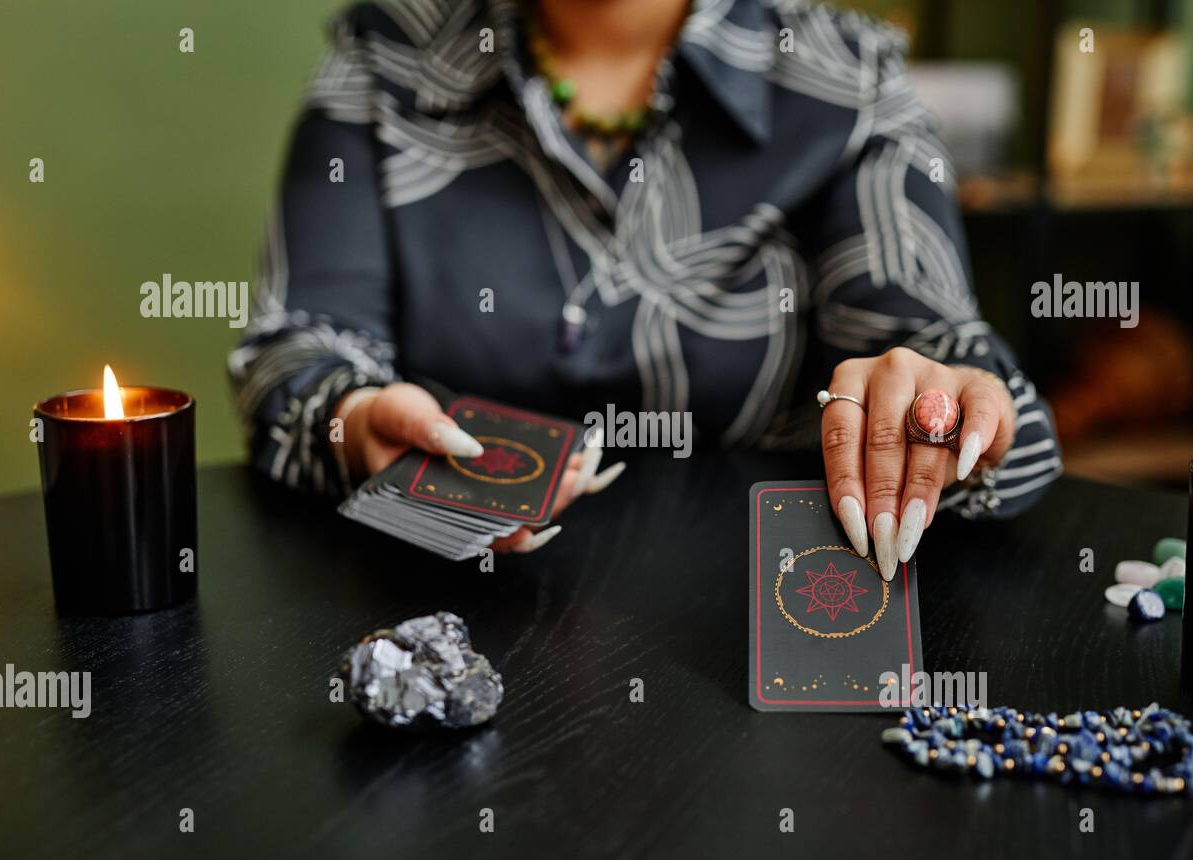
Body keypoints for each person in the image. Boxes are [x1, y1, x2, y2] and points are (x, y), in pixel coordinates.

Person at [228, 0, 1062, 573]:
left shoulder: (845, 75)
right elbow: (297, 349)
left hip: (759, 634)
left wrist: (945, 410)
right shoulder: (384, 57)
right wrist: (351, 422)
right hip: (434, 604)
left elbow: (961, 373)